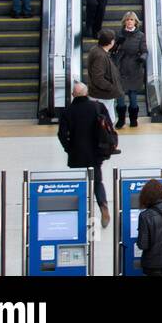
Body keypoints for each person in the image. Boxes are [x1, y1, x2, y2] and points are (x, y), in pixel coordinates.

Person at [57, 81, 112, 228]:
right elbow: (109, 127)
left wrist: (68, 148)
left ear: (73, 94)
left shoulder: (68, 111)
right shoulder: (97, 106)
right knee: (97, 182)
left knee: (80, 184)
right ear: (86, 93)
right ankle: (103, 207)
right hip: (96, 152)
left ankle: (82, 214)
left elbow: (61, 134)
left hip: (77, 153)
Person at [111, 12, 147, 129]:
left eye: (132, 20)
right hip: (120, 66)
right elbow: (112, 49)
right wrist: (116, 47)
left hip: (134, 68)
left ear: (135, 22)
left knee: (133, 95)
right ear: (124, 22)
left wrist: (142, 58)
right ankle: (121, 119)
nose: (129, 22)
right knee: (120, 95)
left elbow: (145, 51)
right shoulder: (119, 34)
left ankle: (133, 119)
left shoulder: (141, 35)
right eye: (127, 20)